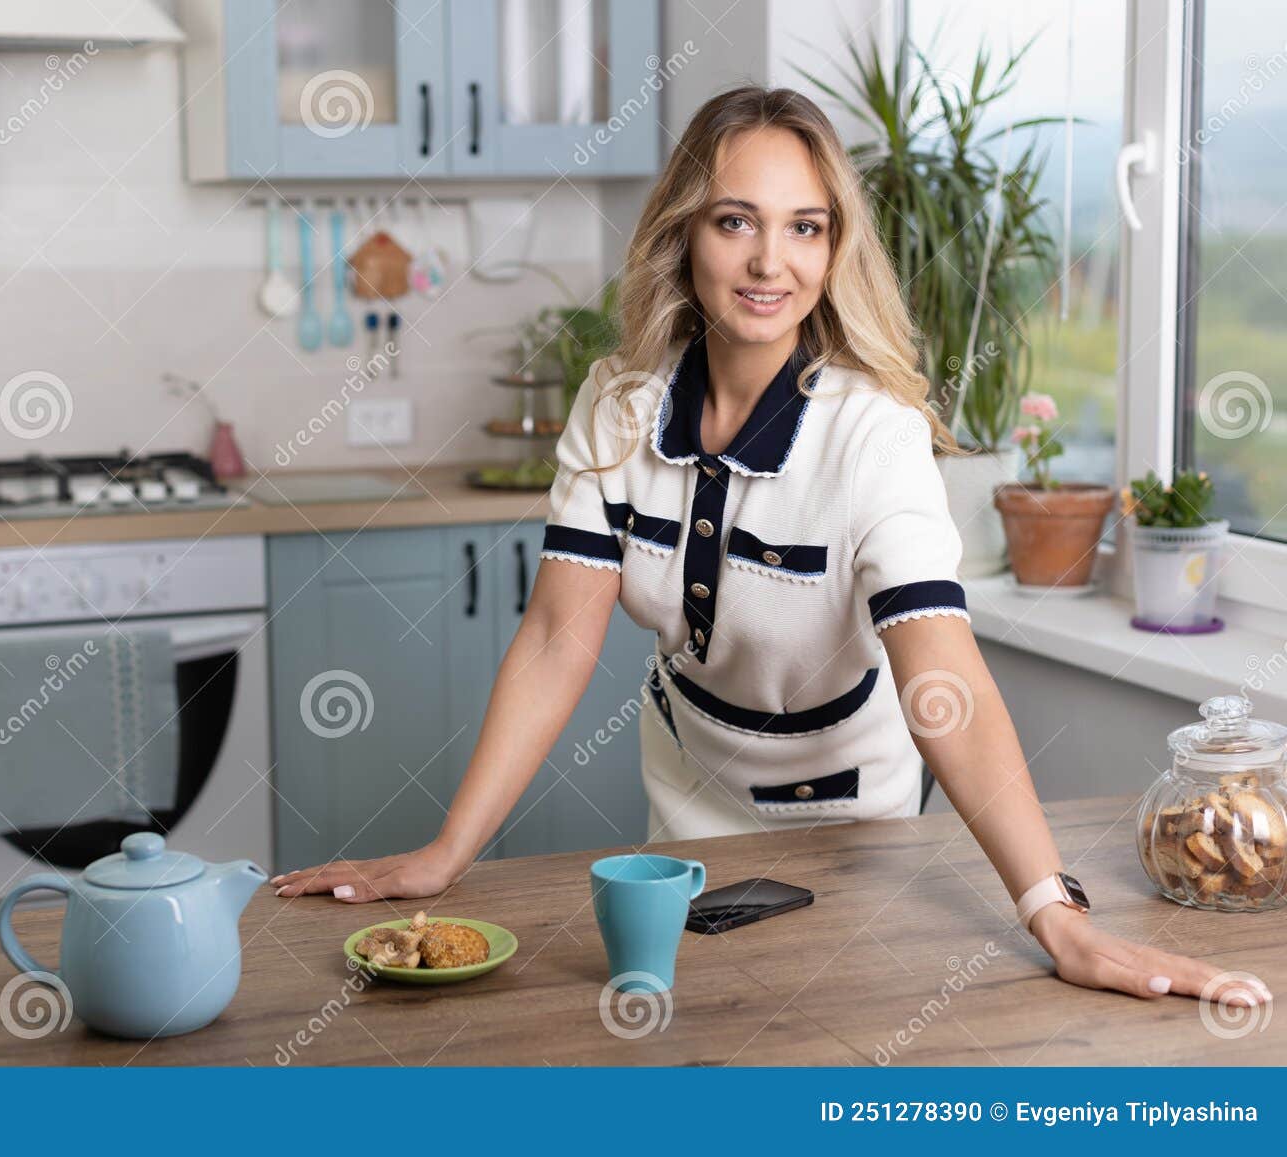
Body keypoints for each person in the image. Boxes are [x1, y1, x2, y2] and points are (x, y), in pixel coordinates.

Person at [273, 86, 1265, 1007]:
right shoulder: (617, 407)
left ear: (833, 249)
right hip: (688, 784)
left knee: (827, 1027)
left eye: (805, 226)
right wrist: (448, 851)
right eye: (734, 219)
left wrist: (1054, 913)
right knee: (690, 1032)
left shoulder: (873, 435)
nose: (768, 261)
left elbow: (943, 682)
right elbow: (554, 639)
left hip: (852, 813)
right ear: (684, 233)